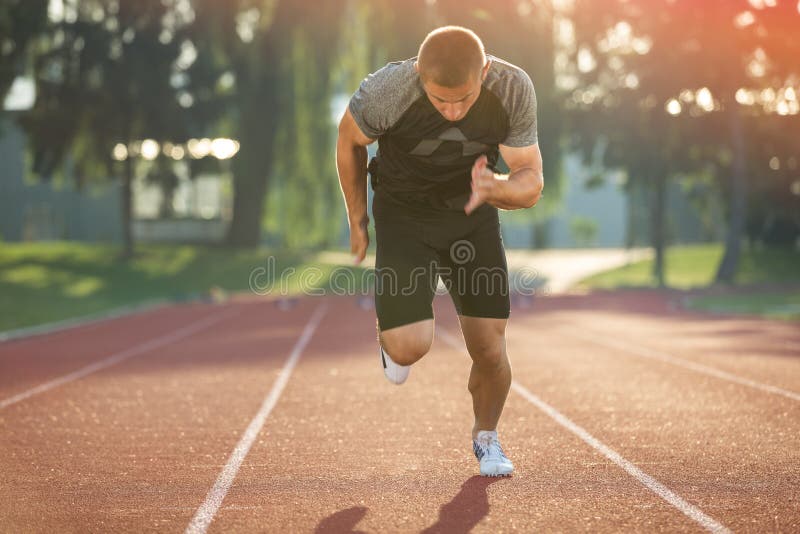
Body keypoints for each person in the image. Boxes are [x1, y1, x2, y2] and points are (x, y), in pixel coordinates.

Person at [336, 26, 544, 477]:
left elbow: (530, 180)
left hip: (472, 216)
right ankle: (392, 339)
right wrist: (358, 219)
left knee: (490, 348)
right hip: (404, 215)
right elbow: (349, 141)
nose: (452, 111)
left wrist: (498, 186)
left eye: (464, 100)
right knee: (410, 348)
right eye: (440, 100)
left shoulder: (511, 88)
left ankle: (486, 437)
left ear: (485, 72)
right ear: (417, 74)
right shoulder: (387, 90)